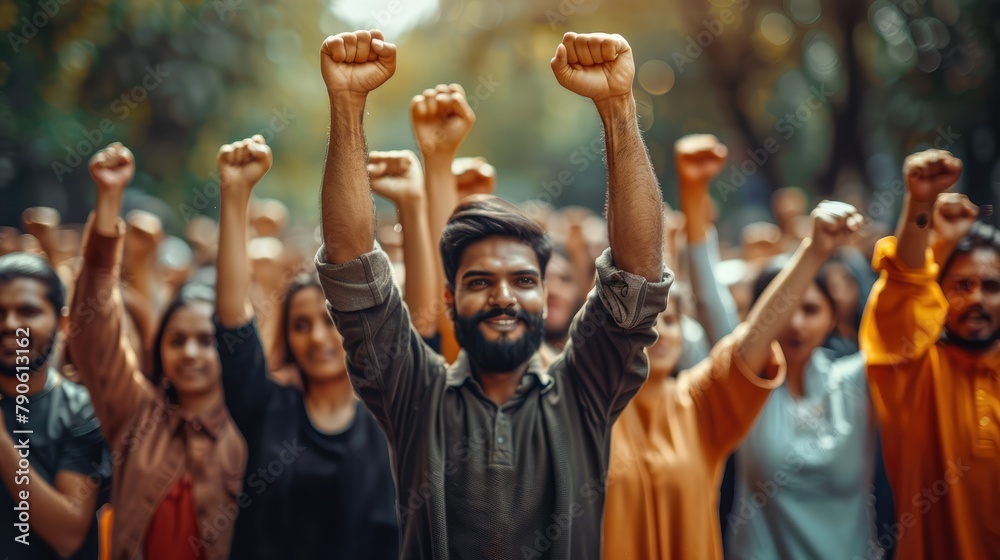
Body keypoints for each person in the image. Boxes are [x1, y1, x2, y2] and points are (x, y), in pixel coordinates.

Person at [314, 29, 670, 558]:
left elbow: (637, 276)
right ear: (450, 299)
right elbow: (352, 270)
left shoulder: (583, 392)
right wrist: (346, 104)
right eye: (479, 282)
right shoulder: (413, 392)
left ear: (546, 295)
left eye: (523, 281)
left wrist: (618, 106)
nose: (503, 297)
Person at [213, 135, 398, 559]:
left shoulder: (392, 417)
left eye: (329, 321)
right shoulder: (266, 407)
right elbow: (232, 321)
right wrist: (235, 194)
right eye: (301, 324)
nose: (316, 337)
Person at [68, 142, 246, 560]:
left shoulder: (250, 424)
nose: (190, 353)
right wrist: (109, 198)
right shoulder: (137, 415)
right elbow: (95, 333)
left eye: (206, 340)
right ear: (159, 348)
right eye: (176, 340)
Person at [860, 148, 1000, 558]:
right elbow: (905, 287)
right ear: (938, 292)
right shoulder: (916, 372)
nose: (976, 299)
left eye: (991, 286)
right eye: (961, 286)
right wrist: (920, 205)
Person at [0, 253, 108, 560]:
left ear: (62, 323)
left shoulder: (81, 411)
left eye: (27, 311)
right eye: (0, 312)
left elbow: (68, 536)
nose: (10, 324)